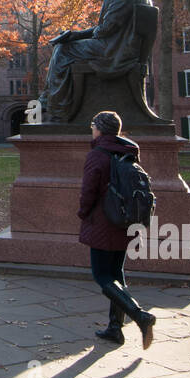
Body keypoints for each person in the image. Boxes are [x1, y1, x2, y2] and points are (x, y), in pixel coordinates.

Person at [78, 110, 157, 349]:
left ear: (100, 129)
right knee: (116, 274)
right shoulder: (128, 152)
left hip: (103, 222)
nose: (92, 129)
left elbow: (89, 191)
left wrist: (83, 212)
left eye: (93, 125)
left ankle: (139, 315)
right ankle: (115, 328)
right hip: (126, 221)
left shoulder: (97, 154)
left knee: (102, 275)